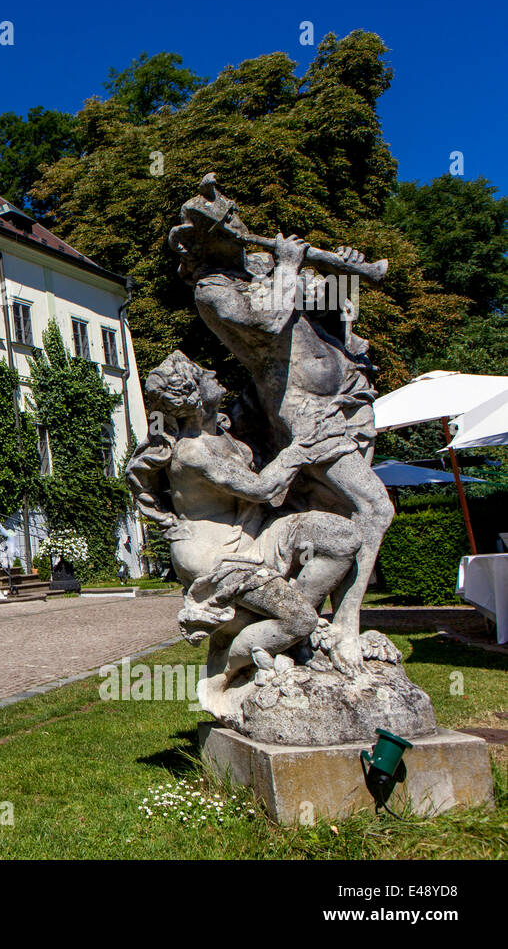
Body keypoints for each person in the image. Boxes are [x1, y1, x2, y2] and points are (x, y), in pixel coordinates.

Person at [167, 175, 393, 675]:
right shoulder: (213, 292)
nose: (240, 230)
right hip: (305, 412)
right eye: (228, 226)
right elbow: (268, 324)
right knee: (375, 507)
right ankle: (344, 623)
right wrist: (289, 266)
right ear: (206, 241)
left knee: (338, 517)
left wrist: (336, 282)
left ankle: (309, 627)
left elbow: (319, 304)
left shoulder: (255, 265)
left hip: (344, 392)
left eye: (235, 218)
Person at [128, 352, 362, 721]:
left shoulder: (217, 432)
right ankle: (225, 671)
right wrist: (302, 448)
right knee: (299, 620)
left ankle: (288, 632)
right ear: (193, 394)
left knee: (341, 536)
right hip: (219, 555)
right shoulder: (194, 450)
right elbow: (262, 489)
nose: (213, 371)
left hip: (251, 533)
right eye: (204, 373)